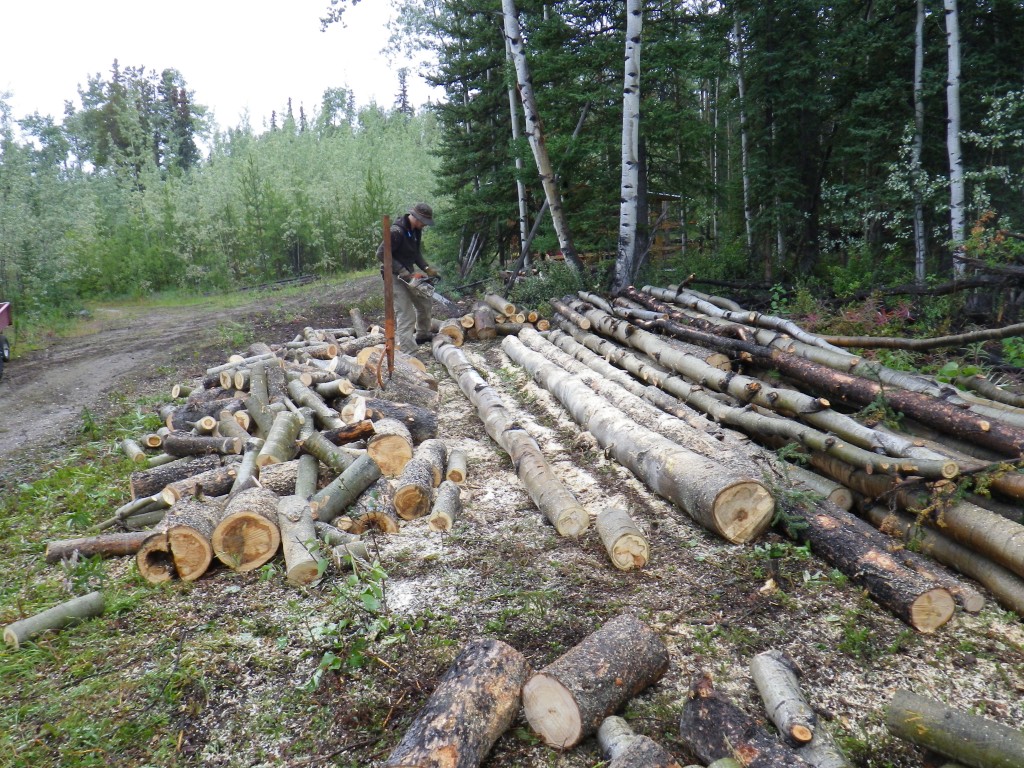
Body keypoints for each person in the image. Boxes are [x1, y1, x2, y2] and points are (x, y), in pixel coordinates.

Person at [376, 202, 439, 353]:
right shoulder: (396, 231)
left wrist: (426, 268)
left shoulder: (416, 230)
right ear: (417, 218)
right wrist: (401, 270)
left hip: (408, 272)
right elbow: (380, 254)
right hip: (393, 275)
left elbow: (416, 253)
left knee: (425, 300)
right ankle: (409, 352)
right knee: (406, 313)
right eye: (424, 223)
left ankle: (423, 334)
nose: (424, 226)